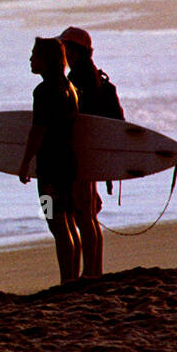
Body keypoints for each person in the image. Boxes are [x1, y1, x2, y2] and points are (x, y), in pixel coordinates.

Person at [59, 26, 124, 278]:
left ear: (73, 50)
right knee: (88, 213)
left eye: (64, 48)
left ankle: (89, 273)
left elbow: (76, 123)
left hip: (80, 156)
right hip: (93, 156)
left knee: (83, 214)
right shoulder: (97, 78)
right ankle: (94, 270)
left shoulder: (77, 80)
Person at [18, 36, 81, 283]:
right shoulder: (71, 88)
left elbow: (38, 131)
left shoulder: (43, 91)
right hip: (68, 163)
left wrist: (25, 163)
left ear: (46, 59)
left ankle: (67, 280)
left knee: (55, 224)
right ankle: (72, 278)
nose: (31, 59)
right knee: (66, 221)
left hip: (49, 168)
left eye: (34, 54)